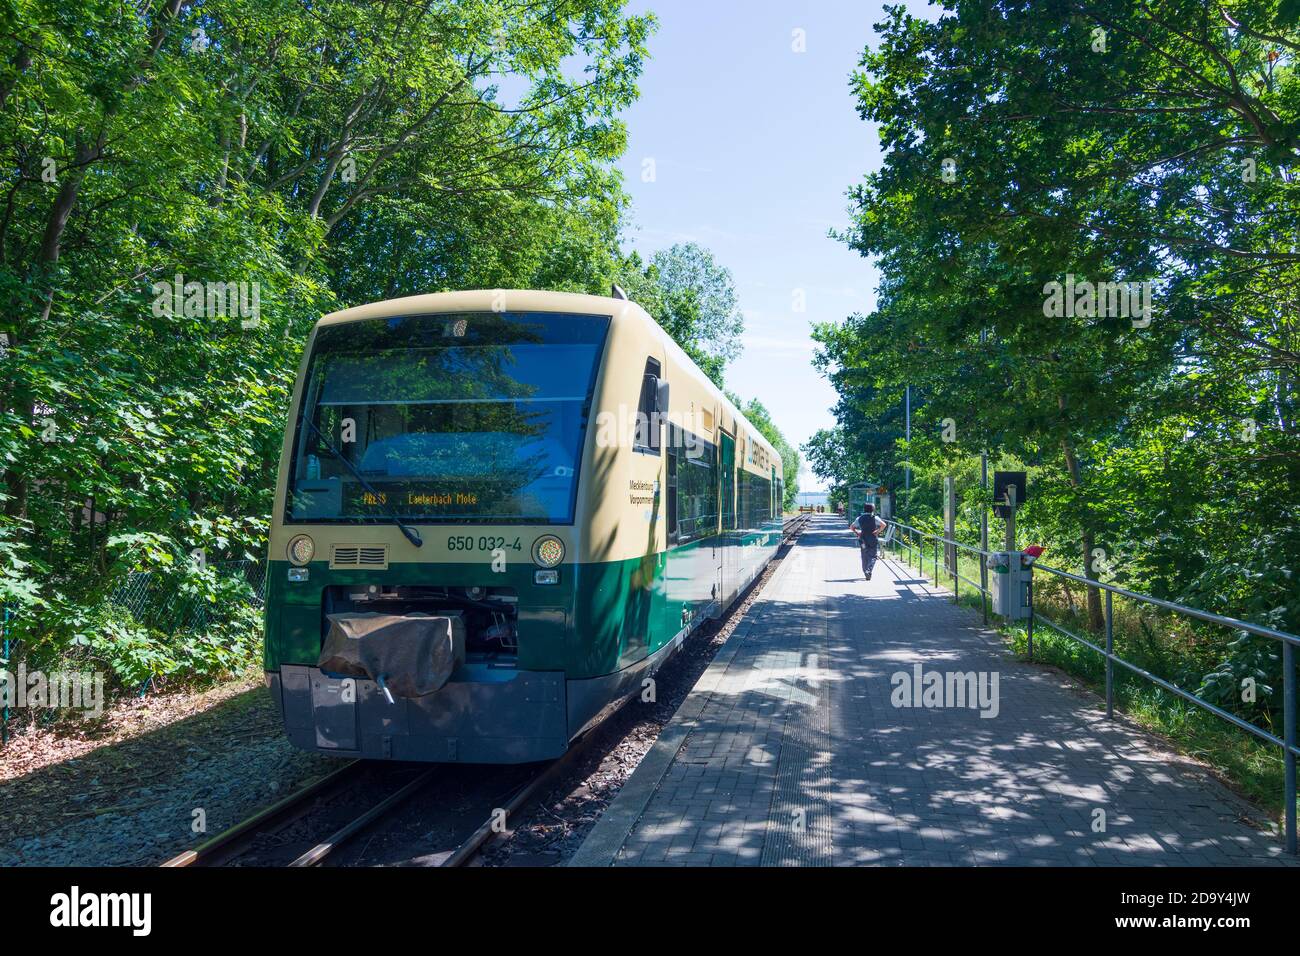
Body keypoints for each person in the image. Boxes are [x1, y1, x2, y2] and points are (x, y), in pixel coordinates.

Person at [850, 504, 886, 580]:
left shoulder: (859, 518)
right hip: (872, 538)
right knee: (873, 556)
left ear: (864, 509)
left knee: (864, 555)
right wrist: (877, 531)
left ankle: (865, 571)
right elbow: (884, 525)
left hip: (862, 539)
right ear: (872, 510)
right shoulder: (875, 518)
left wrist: (857, 532)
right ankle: (868, 570)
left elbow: (851, 527)